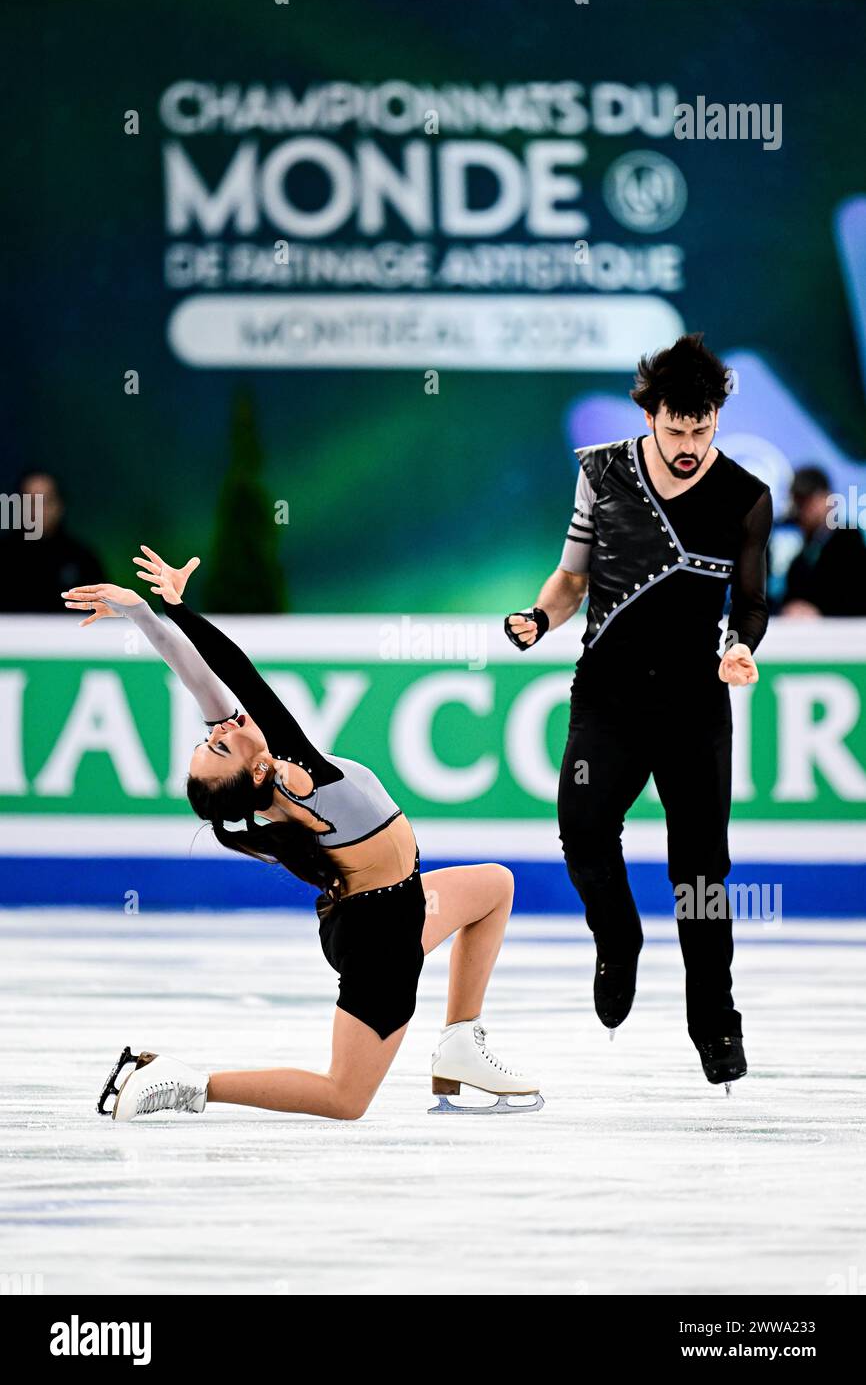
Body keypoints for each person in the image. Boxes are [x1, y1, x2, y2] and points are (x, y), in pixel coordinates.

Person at [62, 546, 542, 1121]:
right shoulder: (303, 777)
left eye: (208, 739)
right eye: (218, 745)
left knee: (492, 886)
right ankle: (182, 1082)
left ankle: (460, 1044)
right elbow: (238, 672)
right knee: (345, 1097)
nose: (220, 728)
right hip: (378, 938)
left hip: (396, 905)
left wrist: (143, 613)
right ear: (256, 770)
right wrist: (180, 608)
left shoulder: (266, 770)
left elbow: (199, 677)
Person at [504, 333, 772, 1088]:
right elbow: (570, 580)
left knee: (701, 874)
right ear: (649, 414)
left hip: (693, 702)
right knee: (583, 830)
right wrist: (537, 617)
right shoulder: (602, 472)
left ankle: (714, 1022)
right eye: (676, 428)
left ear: (717, 416)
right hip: (608, 694)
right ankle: (617, 939)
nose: (689, 445)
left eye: (703, 428)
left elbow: (750, 602)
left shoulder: (747, 497)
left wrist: (740, 646)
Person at [0, 471, 105, 611]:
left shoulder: (82, 560)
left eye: (44, 501)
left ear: (59, 506)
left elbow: (103, 615)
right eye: (30, 502)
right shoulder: (3, 556)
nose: (37, 510)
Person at [781, 465, 866, 617]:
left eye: (808, 500)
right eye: (798, 501)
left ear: (827, 498)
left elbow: (854, 594)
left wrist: (820, 613)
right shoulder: (801, 558)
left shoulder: (848, 540)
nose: (802, 509)